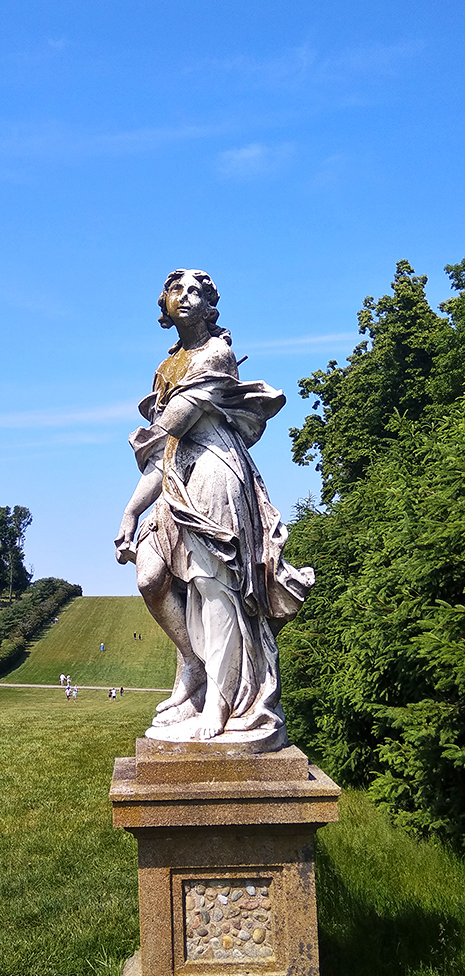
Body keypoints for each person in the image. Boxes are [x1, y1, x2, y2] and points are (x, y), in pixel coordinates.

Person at [114, 268, 313, 741]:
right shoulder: (167, 367)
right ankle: (194, 665)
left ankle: (220, 702)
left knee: (213, 586)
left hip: (213, 470)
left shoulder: (216, 354)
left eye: (196, 292)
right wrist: (131, 511)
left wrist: (150, 447)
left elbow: (174, 425)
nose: (185, 297)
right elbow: (161, 454)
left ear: (210, 307)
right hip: (176, 474)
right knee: (150, 576)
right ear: (164, 304)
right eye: (176, 290)